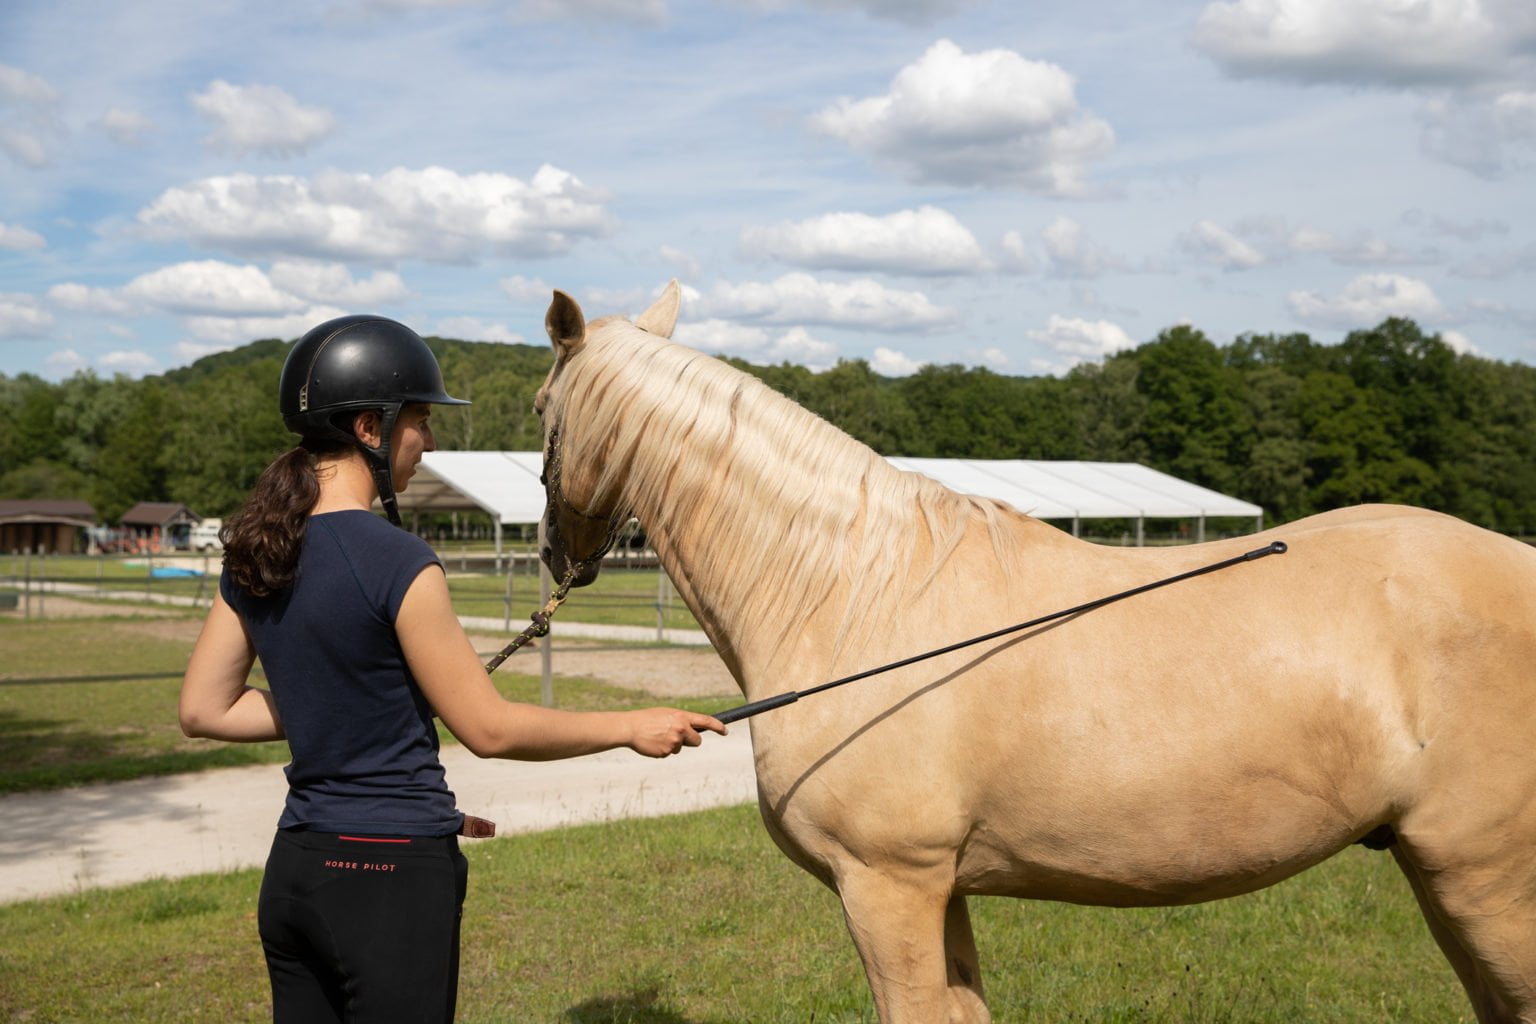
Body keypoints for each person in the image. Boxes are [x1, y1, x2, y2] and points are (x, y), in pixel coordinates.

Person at [179, 314, 725, 1024]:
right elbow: (488, 728)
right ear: (370, 429)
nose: (429, 442)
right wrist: (630, 726)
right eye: (420, 422)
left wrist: (350, 709)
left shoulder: (256, 548)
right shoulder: (399, 561)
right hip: (390, 882)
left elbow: (205, 710)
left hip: (295, 873)